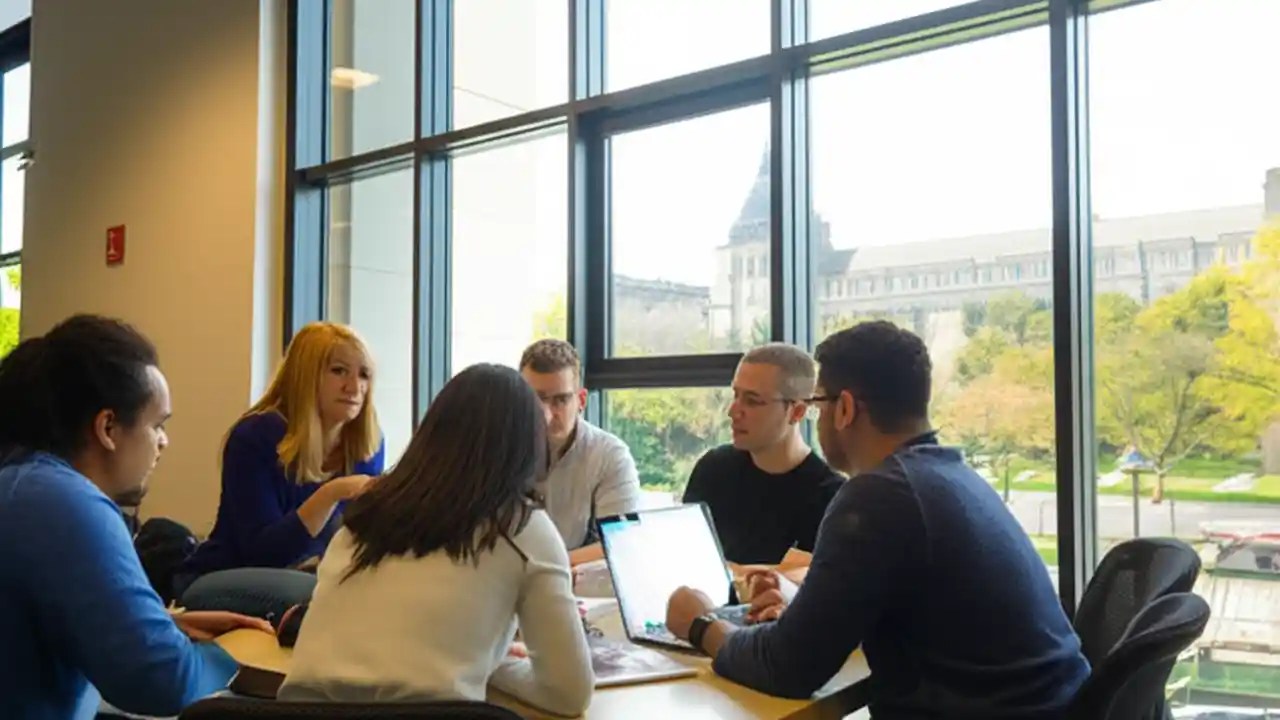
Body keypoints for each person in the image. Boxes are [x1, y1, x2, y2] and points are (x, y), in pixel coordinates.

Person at [666, 321, 1089, 718]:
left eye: (819, 403)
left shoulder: (879, 496)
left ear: (845, 408)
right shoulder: (950, 476)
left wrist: (702, 624)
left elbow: (789, 669)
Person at [279, 364, 594, 716]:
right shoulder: (521, 527)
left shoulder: (363, 517)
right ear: (527, 446)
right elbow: (569, 694)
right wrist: (492, 664)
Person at [0, 315, 270, 719]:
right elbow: (164, 683)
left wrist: (163, 626)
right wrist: (235, 651)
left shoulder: (22, 486)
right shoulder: (62, 501)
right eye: (157, 425)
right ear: (108, 427)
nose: (164, 441)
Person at [177, 322, 386, 619]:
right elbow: (265, 553)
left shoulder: (369, 445)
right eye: (339, 371)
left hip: (310, 579)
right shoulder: (255, 437)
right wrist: (331, 493)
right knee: (323, 594)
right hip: (226, 576)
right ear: (306, 376)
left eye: (364, 375)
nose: (354, 387)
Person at [683, 343, 843, 567]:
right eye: (735, 395)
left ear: (797, 412)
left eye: (752, 401)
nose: (733, 411)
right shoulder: (713, 470)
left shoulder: (830, 498)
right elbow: (683, 558)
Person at [519, 339, 640, 565]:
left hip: (579, 584)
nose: (546, 413)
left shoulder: (610, 456)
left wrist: (544, 568)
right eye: (537, 399)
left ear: (581, 400)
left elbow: (623, 541)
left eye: (560, 400)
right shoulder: (500, 450)